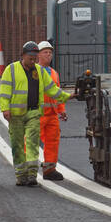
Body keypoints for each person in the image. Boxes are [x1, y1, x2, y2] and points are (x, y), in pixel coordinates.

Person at [0, 41, 71, 187]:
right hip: (16, 114)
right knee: (17, 146)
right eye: (30, 57)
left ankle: (32, 175)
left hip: (33, 112)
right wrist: (5, 109)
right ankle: (21, 176)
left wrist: (68, 96)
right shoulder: (11, 70)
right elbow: (4, 92)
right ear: (23, 56)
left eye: (34, 57)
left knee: (32, 142)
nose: (33, 60)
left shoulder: (40, 71)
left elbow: (52, 90)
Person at [36, 40, 67, 180]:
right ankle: (27, 170)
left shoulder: (54, 73)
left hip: (52, 115)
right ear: (38, 55)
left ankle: (49, 170)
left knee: (52, 142)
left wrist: (62, 110)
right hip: (38, 114)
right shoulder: (34, 71)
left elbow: (57, 92)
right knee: (30, 142)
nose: (48, 55)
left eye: (50, 53)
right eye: (45, 52)